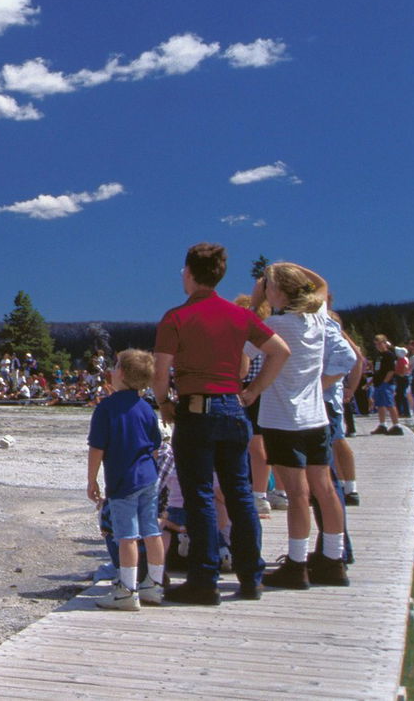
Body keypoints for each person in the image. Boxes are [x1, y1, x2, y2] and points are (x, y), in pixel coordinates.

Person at [153, 242, 290, 604]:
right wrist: (253, 391)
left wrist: (165, 402)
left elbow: (159, 372)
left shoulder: (176, 318)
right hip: (233, 408)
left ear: (190, 273)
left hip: (196, 411)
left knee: (200, 496)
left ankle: (204, 579)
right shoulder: (238, 315)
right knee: (240, 494)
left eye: (183, 271)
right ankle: (251, 577)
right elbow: (280, 351)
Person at [248, 262, 349, 587]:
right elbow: (322, 283)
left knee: (297, 493)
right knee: (324, 488)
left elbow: (245, 347)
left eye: (269, 285)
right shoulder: (317, 319)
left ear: (277, 292)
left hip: (282, 419)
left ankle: (296, 564)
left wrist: (253, 303)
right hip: (315, 417)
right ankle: (333, 560)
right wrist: (290, 267)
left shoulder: (275, 325)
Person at [87, 349, 166, 610]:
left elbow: (97, 448)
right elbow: (154, 445)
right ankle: (154, 585)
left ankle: (126, 590)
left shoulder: (106, 408)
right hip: (149, 478)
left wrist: (92, 480)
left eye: (115, 364)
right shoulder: (146, 408)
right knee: (152, 531)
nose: (111, 368)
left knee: (127, 536)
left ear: (120, 373)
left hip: (123, 480)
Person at [369, 335, 404, 435]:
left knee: (389, 404)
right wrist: (371, 383)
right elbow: (376, 370)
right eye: (376, 344)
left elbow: (391, 371)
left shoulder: (389, 355)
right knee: (380, 404)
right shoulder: (377, 356)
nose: (378, 346)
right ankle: (382, 425)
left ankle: (397, 425)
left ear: (385, 343)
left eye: (380, 343)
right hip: (378, 383)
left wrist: (385, 382)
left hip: (386, 384)